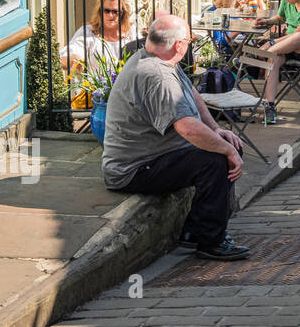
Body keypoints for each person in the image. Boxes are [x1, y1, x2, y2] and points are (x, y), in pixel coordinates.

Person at [101, 14, 249, 261]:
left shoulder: (161, 60)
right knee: (216, 162)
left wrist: (216, 131)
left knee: (228, 146)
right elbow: (187, 128)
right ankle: (210, 241)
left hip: (158, 154)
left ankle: (193, 231)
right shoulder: (156, 75)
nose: (189, 45)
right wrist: (226, 151)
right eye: (188, 41)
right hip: (134, 168)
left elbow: (190, 92)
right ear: (179, 46)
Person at [62, 0, 137, 74]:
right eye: (106, 11)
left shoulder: (132, 33)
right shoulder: (88, 33)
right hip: (95, 87)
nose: (111, 15)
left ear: (123, 13)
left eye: (115, 11)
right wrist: (74, 57)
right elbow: (65, 58)